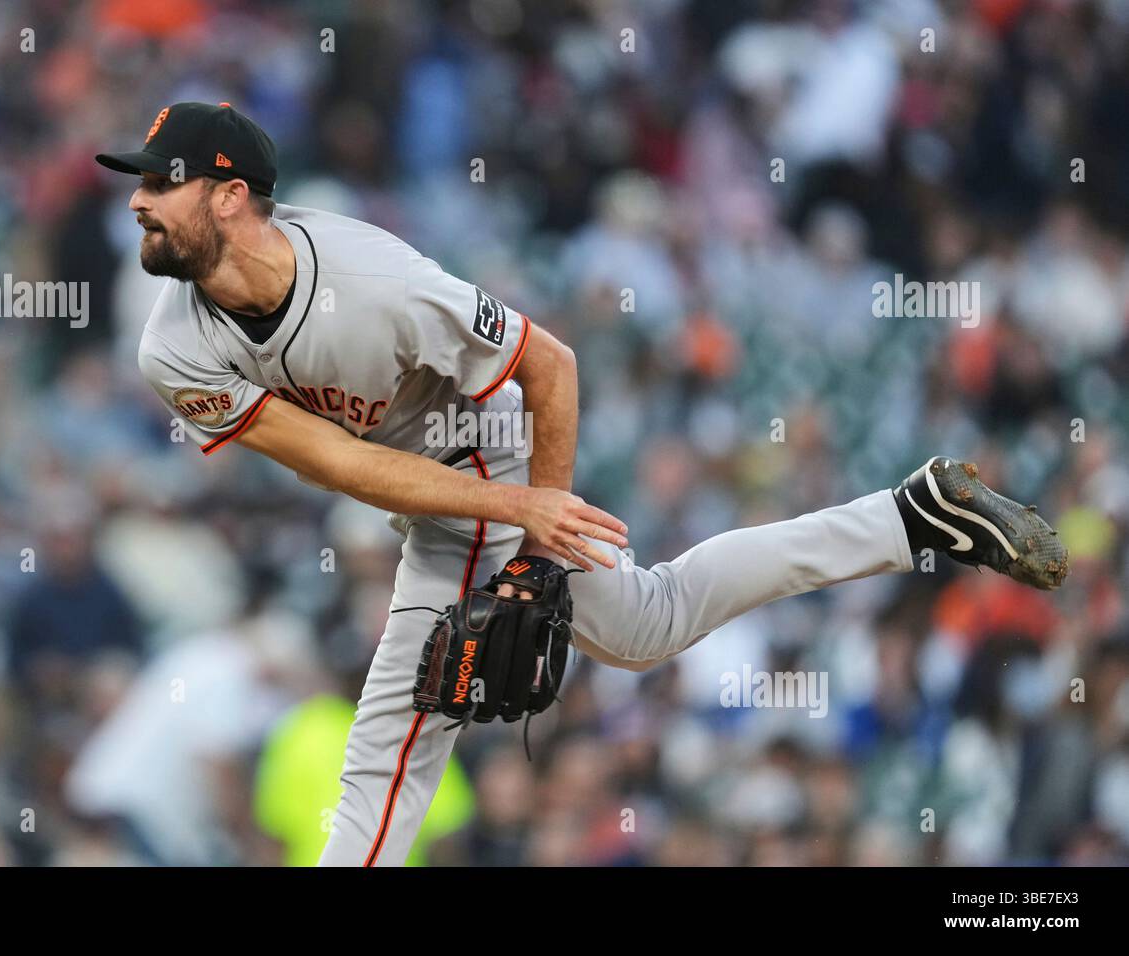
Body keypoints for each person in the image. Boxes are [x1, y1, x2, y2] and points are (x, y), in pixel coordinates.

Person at [96, 102, 1069, 867]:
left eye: (160, 185)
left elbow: (549, 365)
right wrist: (526, 529)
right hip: (451, 493)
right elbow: (337, 462)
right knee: (645, 623)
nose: (138, 201)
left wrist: (528, 530)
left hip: (487, 456)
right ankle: (907, 518)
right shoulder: (171, 343)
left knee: (387, 752)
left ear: (229, 196)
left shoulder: (374, 279)